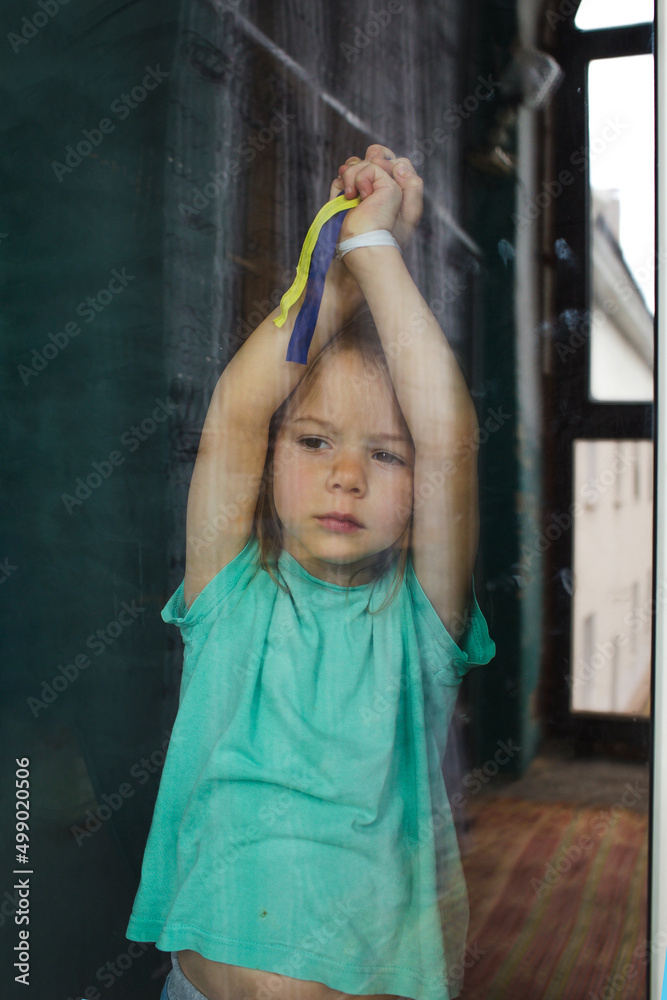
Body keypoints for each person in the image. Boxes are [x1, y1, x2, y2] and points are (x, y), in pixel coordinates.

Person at [126, 144, 496, 1000]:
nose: (346, 475)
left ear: (417, 493)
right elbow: (237, 410)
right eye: (316, 440)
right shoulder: (231, 594)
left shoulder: (416, 626)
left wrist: (377, 251)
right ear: (270, 463)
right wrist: (333, 263)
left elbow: (450, 434)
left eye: (385, 455)